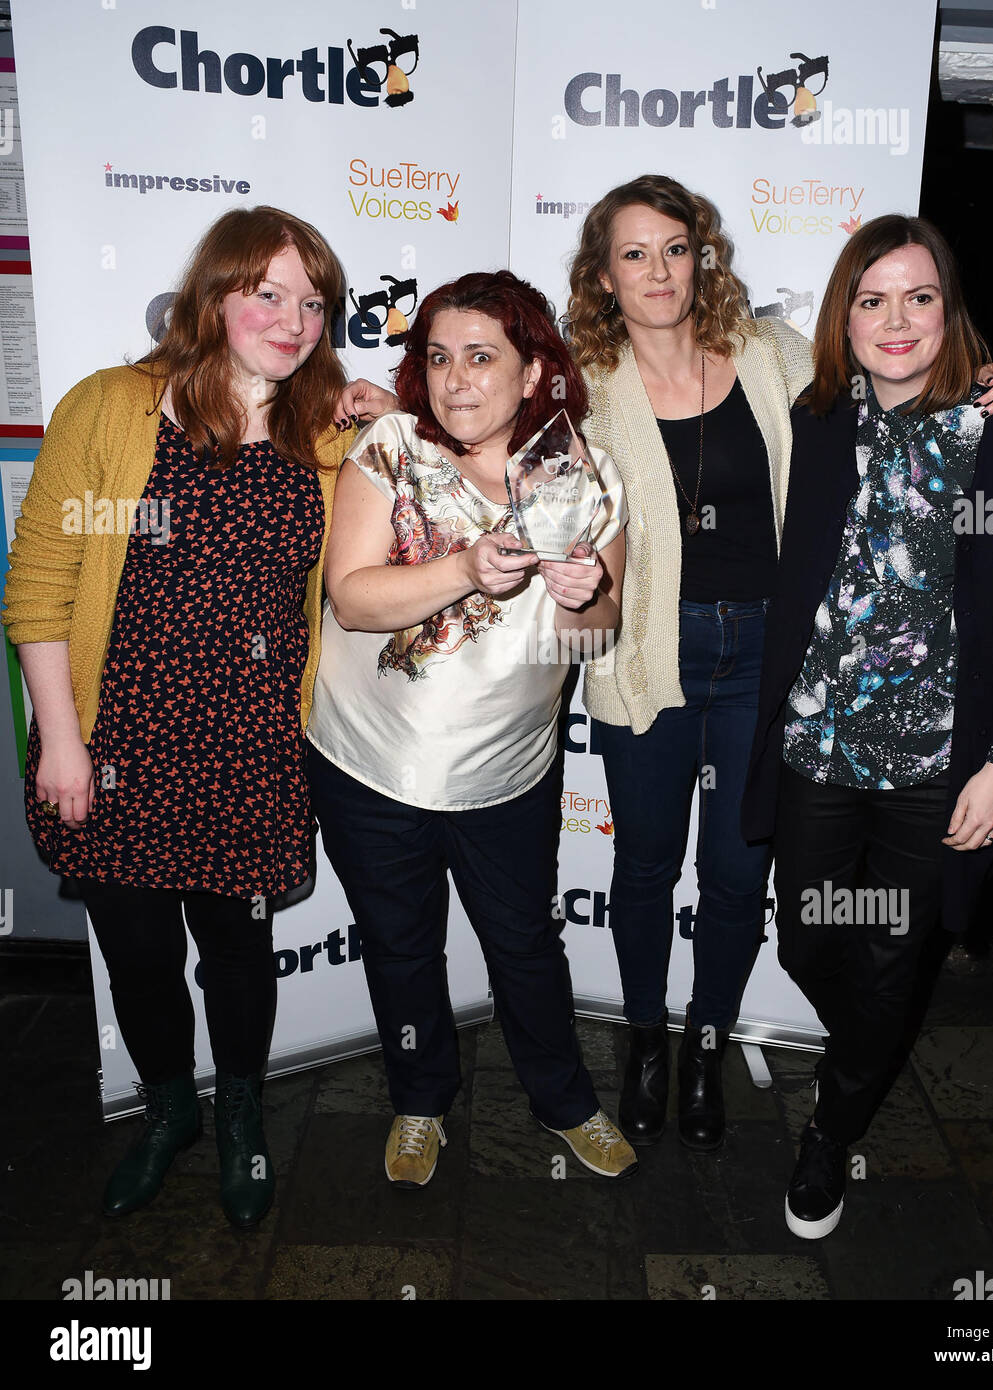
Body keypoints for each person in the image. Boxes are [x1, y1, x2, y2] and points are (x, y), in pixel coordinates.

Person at [560, 174, 993, 1153]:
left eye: (676, 247)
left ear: (704, 256)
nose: (659, 270)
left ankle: (705, 1043)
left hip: (769, 658)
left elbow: (905, 383)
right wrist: (364, 402)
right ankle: (645, 1040)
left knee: (736, 874)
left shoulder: (771, 356)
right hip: (650, 654)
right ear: (602, 275)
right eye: (634, 253)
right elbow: (467, 413)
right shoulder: (577, 382)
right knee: (645, 864)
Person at [2, 206, 352, 1227]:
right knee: (141, 959)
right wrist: (61, 739)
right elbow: (39, 584)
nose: (293, 320)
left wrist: (383, 408)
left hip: (250, 752)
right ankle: (169, 1112)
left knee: (239, 954)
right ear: (215, 296)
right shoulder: (112, 407)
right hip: (117, 749)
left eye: (313, 303)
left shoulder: (320, 433)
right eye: (268, 293)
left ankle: (238, 1112)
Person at [742, 214, 993, 1239]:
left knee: (887, 951)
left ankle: (831, 1129)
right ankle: (870, 1044)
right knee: (806, 935)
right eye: (871, 298)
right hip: (819, 747)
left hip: (938, 764)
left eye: (918, 297)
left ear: (947, 309)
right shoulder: (822, 416)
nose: (895, 318)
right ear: (844, 314)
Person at [306, 270, 635, 1188]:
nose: (456, 380)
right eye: (438, 356)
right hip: (366, 765)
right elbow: (352, 599)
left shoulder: (585, 472)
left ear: (533, 372)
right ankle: (419, 1101)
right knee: (400, 947)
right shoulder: (390, 446)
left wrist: (586, 591)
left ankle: (564, 1100)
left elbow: (595, 638)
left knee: (524, 945)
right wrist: (462, 568)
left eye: (482, 357)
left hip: (504, 776)